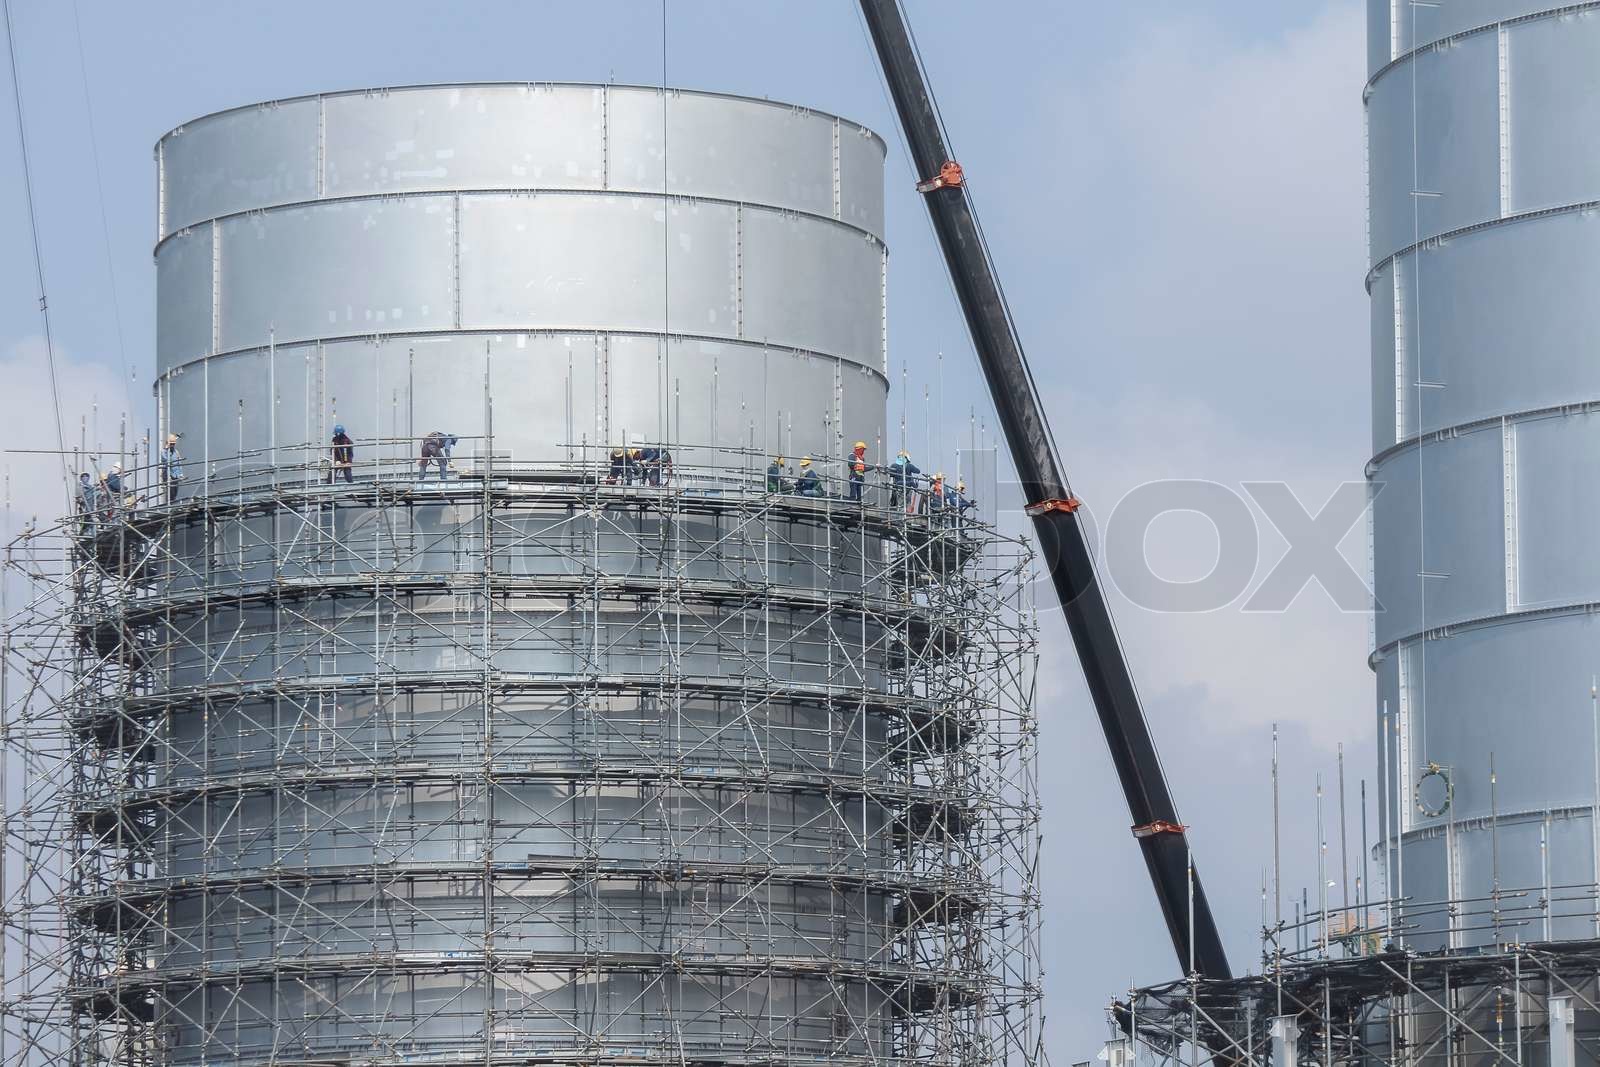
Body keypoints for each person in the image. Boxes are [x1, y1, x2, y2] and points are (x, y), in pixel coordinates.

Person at [162, 433, 185, 503]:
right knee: (170, 491)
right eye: (171, 444)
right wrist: (166, 449)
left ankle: (173, 503)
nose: (172, 445)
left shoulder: (176, 452)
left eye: (173, 444)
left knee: (175, 491)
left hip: (176, 475)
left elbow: (179, 463)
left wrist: (181, 474)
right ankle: (169, 505)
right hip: (168, 474)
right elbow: (164, 460)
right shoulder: (164, 452)